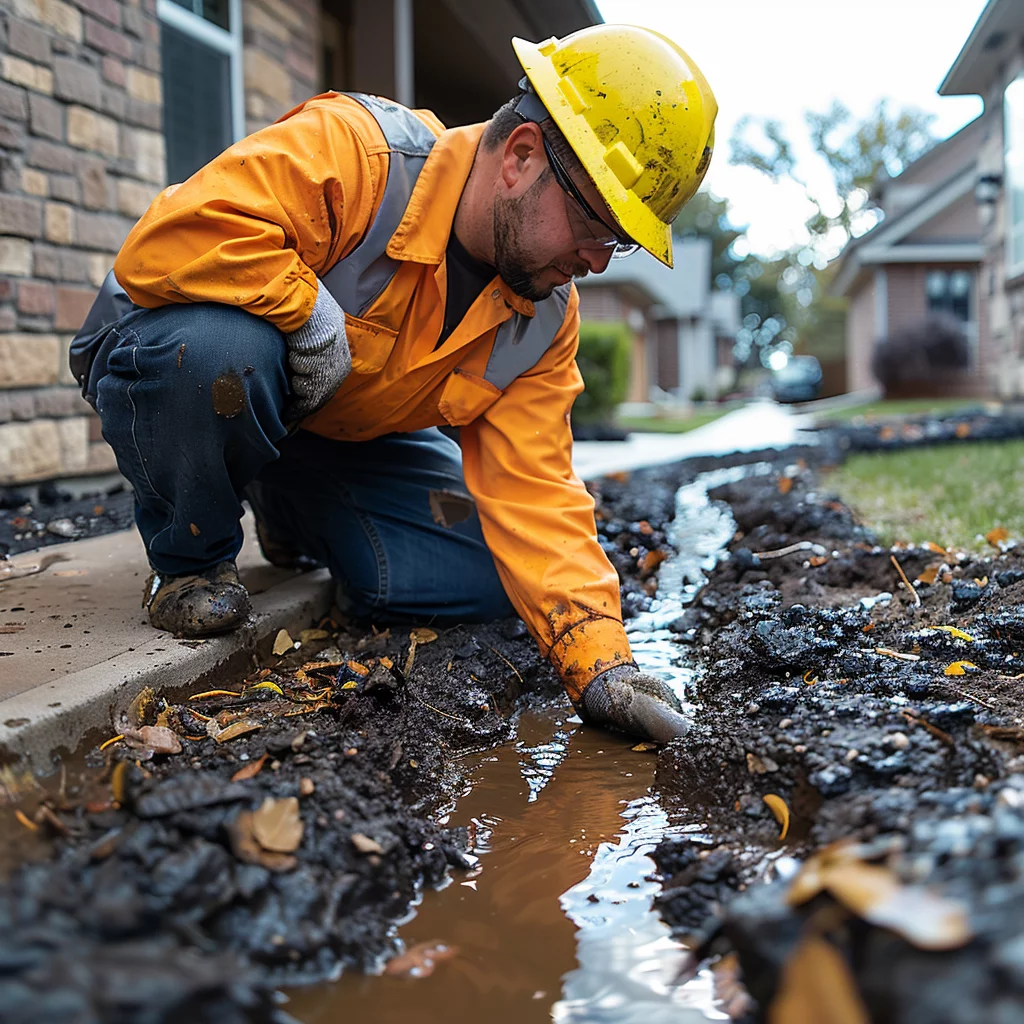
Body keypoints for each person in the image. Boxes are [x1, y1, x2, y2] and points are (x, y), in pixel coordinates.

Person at [70, 25, 717, 742]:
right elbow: (165, 242)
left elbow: (537, 491)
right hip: (168, 358)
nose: (598, 262)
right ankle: (191, 568)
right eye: (597, 224)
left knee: (490, 570)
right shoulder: (358, 153)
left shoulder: (541, 317)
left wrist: (602, 669)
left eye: (619, 241)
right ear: (523, 156)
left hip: (328, 429)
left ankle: (287, 506)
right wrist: (304, 308)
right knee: (217, 355)